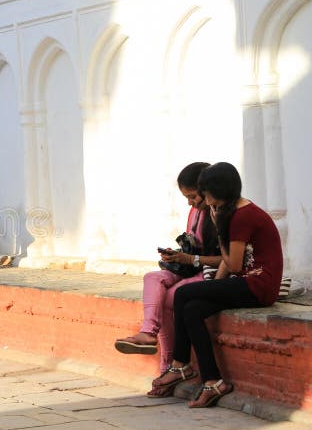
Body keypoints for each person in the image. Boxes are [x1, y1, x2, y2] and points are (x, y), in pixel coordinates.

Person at [150, 162, 283, 407]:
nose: (207, 204)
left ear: (221, 192)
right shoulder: (233, 211)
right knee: (192, 308)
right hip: (244, 282)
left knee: (183, 294)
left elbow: (231, 263)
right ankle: (213, 382)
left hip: (258, 285)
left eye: (209, 199)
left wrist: (220, 228)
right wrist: (212, 291)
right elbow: (230, 266)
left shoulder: (243, 216)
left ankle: (180, 365)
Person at [114, 163, 222, 374]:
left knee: (168, 298)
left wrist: (190, 258)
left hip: (209, 271)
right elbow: (194, 244)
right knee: (152, 278)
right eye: (187, 198)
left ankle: (168, 366)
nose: (190, 202)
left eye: (193, 196)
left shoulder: (219, 213)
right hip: (190, 266)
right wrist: (177, 255)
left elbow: (227, 259)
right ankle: (148, 334)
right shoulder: (195, 212)